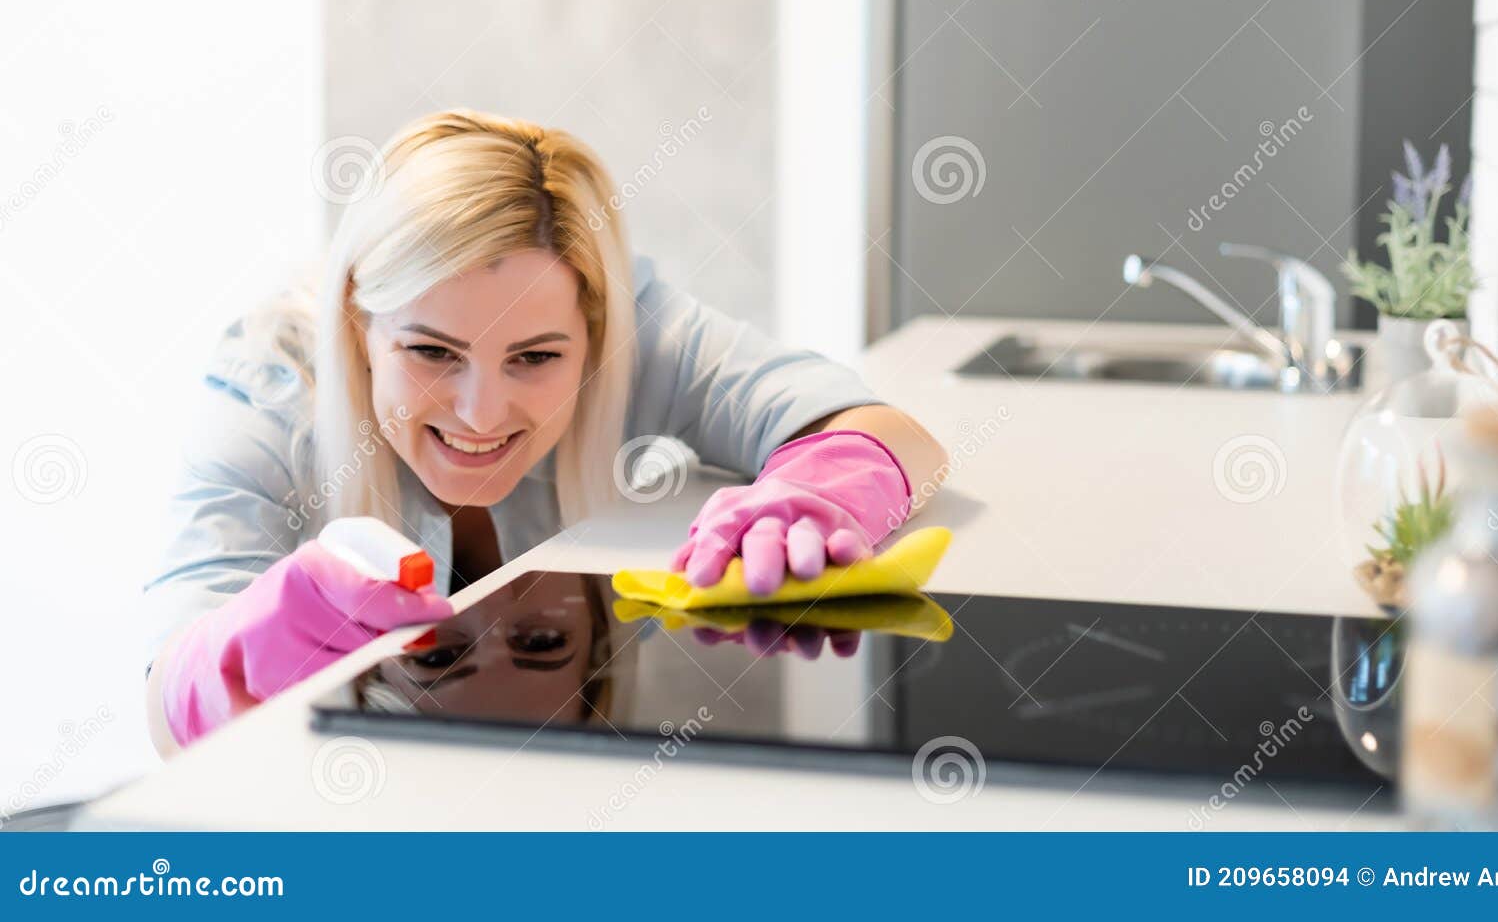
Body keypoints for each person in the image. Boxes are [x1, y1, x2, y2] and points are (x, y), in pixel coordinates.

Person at [142, 109, 948, 753]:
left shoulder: (628, 333)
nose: (481, 413)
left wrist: (814, 492)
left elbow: (890, 431)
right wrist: (249, 649)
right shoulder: (269, 396)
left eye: (533, 357)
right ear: (357, 323)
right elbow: (165, 710)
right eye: (431, 351)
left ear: (595, 334)